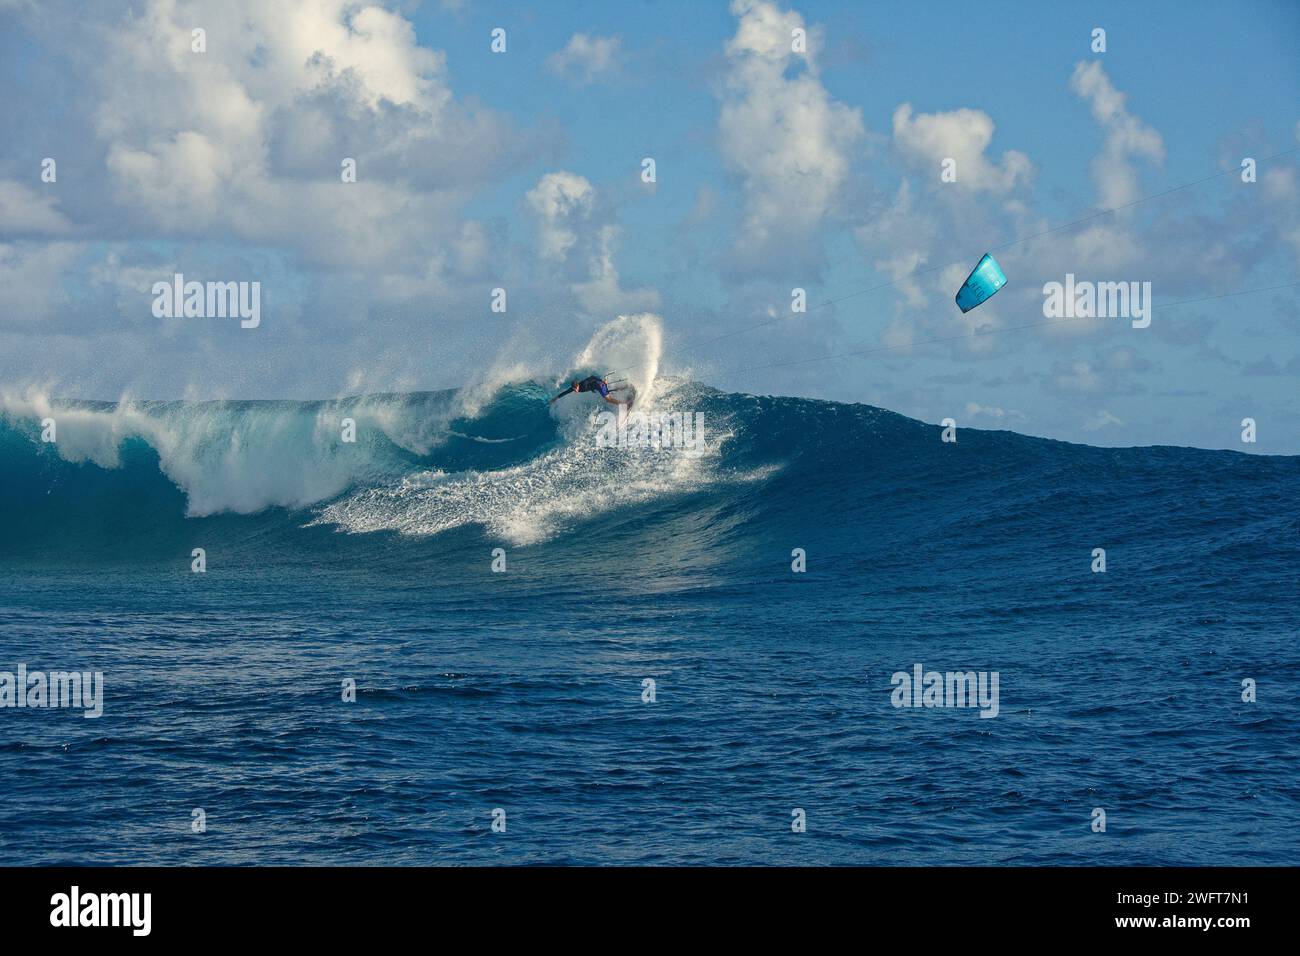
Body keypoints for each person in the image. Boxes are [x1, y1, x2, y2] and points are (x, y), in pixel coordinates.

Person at [550, 374, 634, 408]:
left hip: (599, 385)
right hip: (597, 387)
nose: (575, 391)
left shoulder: (583, 383)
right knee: (611, 391)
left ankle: (625, 405)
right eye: (574, 389)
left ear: (578, 385)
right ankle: (626, 387)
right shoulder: (572, 388)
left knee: (608, 399)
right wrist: (555, 398)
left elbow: (592, 377)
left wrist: (602, 382)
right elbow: (564, 393)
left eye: (576, 389)